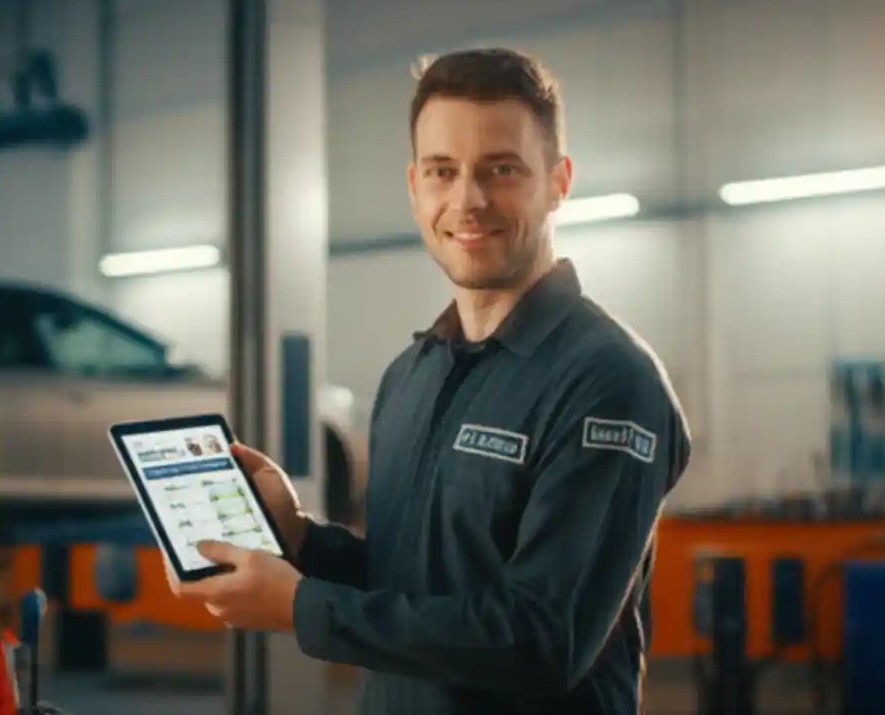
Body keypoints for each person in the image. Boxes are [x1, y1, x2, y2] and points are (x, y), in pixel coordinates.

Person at [171, 47, 692, 714]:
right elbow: (416, 588)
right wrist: (300, 540)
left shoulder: (606, 381)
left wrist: (300, 606)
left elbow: (541, 640)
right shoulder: (411, 376)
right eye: (443, 171)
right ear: (415, 186)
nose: (467, 200)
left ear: (560, 182)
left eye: (501, 170)